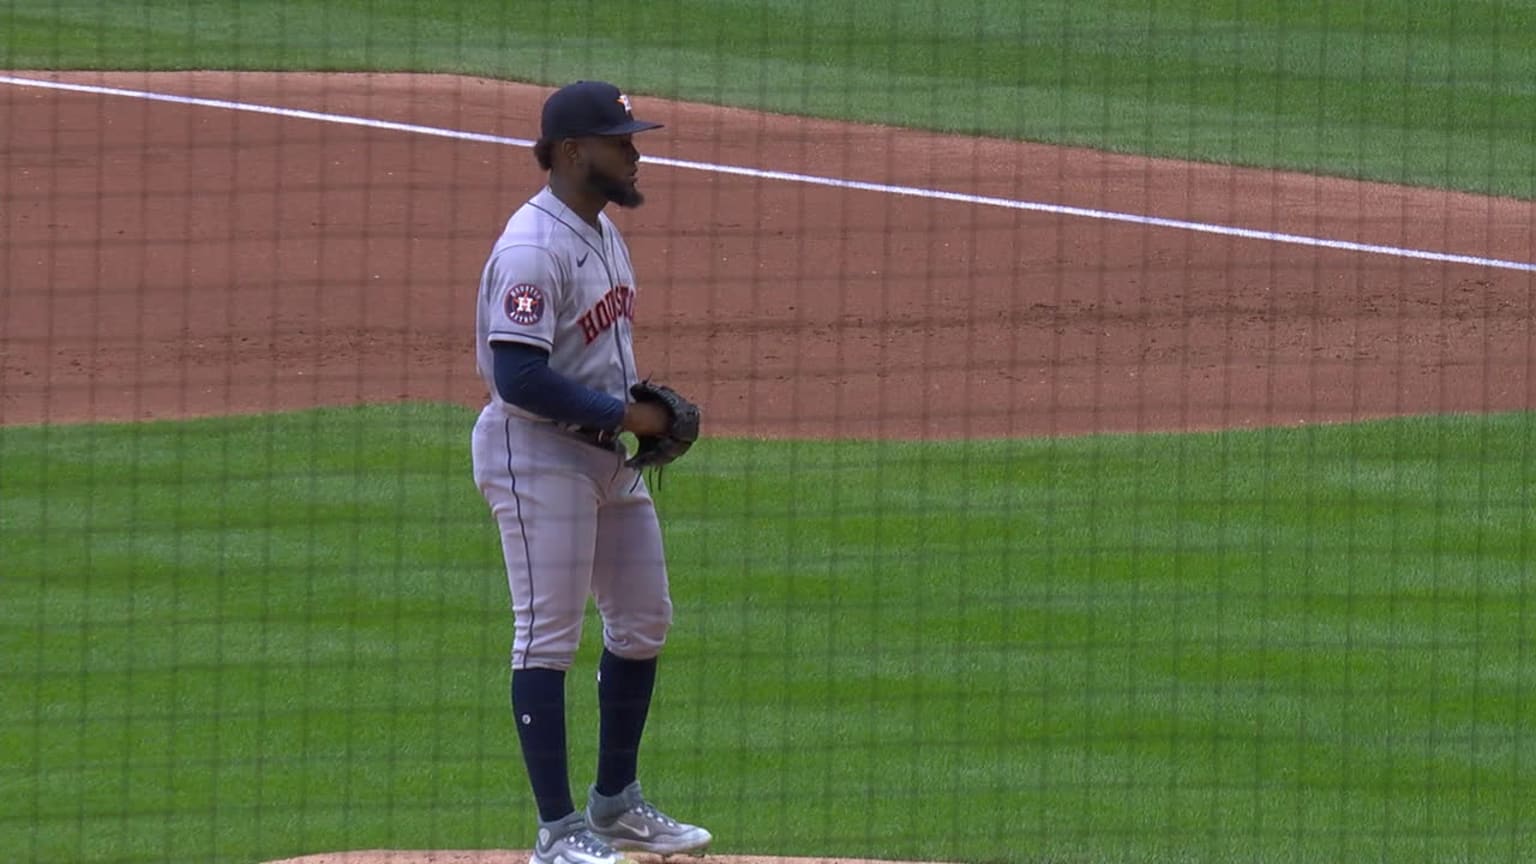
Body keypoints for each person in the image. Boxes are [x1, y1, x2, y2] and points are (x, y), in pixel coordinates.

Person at [469, 80, 711, 864]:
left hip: (603, 458)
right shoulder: (532, 247)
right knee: (547, 636)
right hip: (537, 454)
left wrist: (638, 404)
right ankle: (557, 832)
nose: (636, 152)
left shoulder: (601, 232)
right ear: (573, 153)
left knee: (644, 620)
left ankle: (615, 807)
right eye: (621, 141)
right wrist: (634, 418)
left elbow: (594, 358)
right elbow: (520, 378)